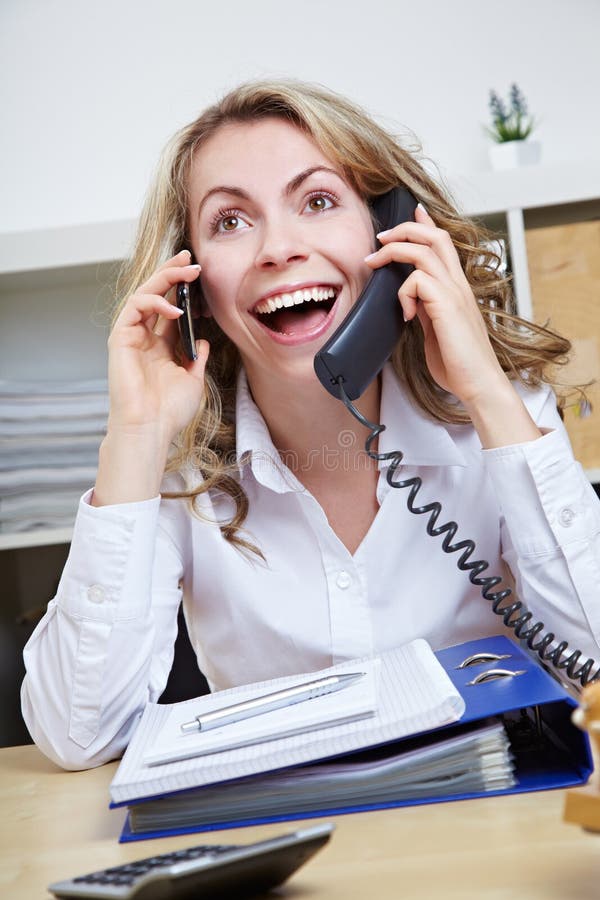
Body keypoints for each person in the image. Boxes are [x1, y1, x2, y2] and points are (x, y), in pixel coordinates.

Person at [21, 80, 600, 770]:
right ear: (193, 289)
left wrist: (487, 390)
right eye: (230, 222)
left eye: (318, 201)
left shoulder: (500, 418)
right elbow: (77, 737)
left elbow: (592, 666)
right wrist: (135, 438)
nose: (279, 248)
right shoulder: (178, 474)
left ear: (390, 234)